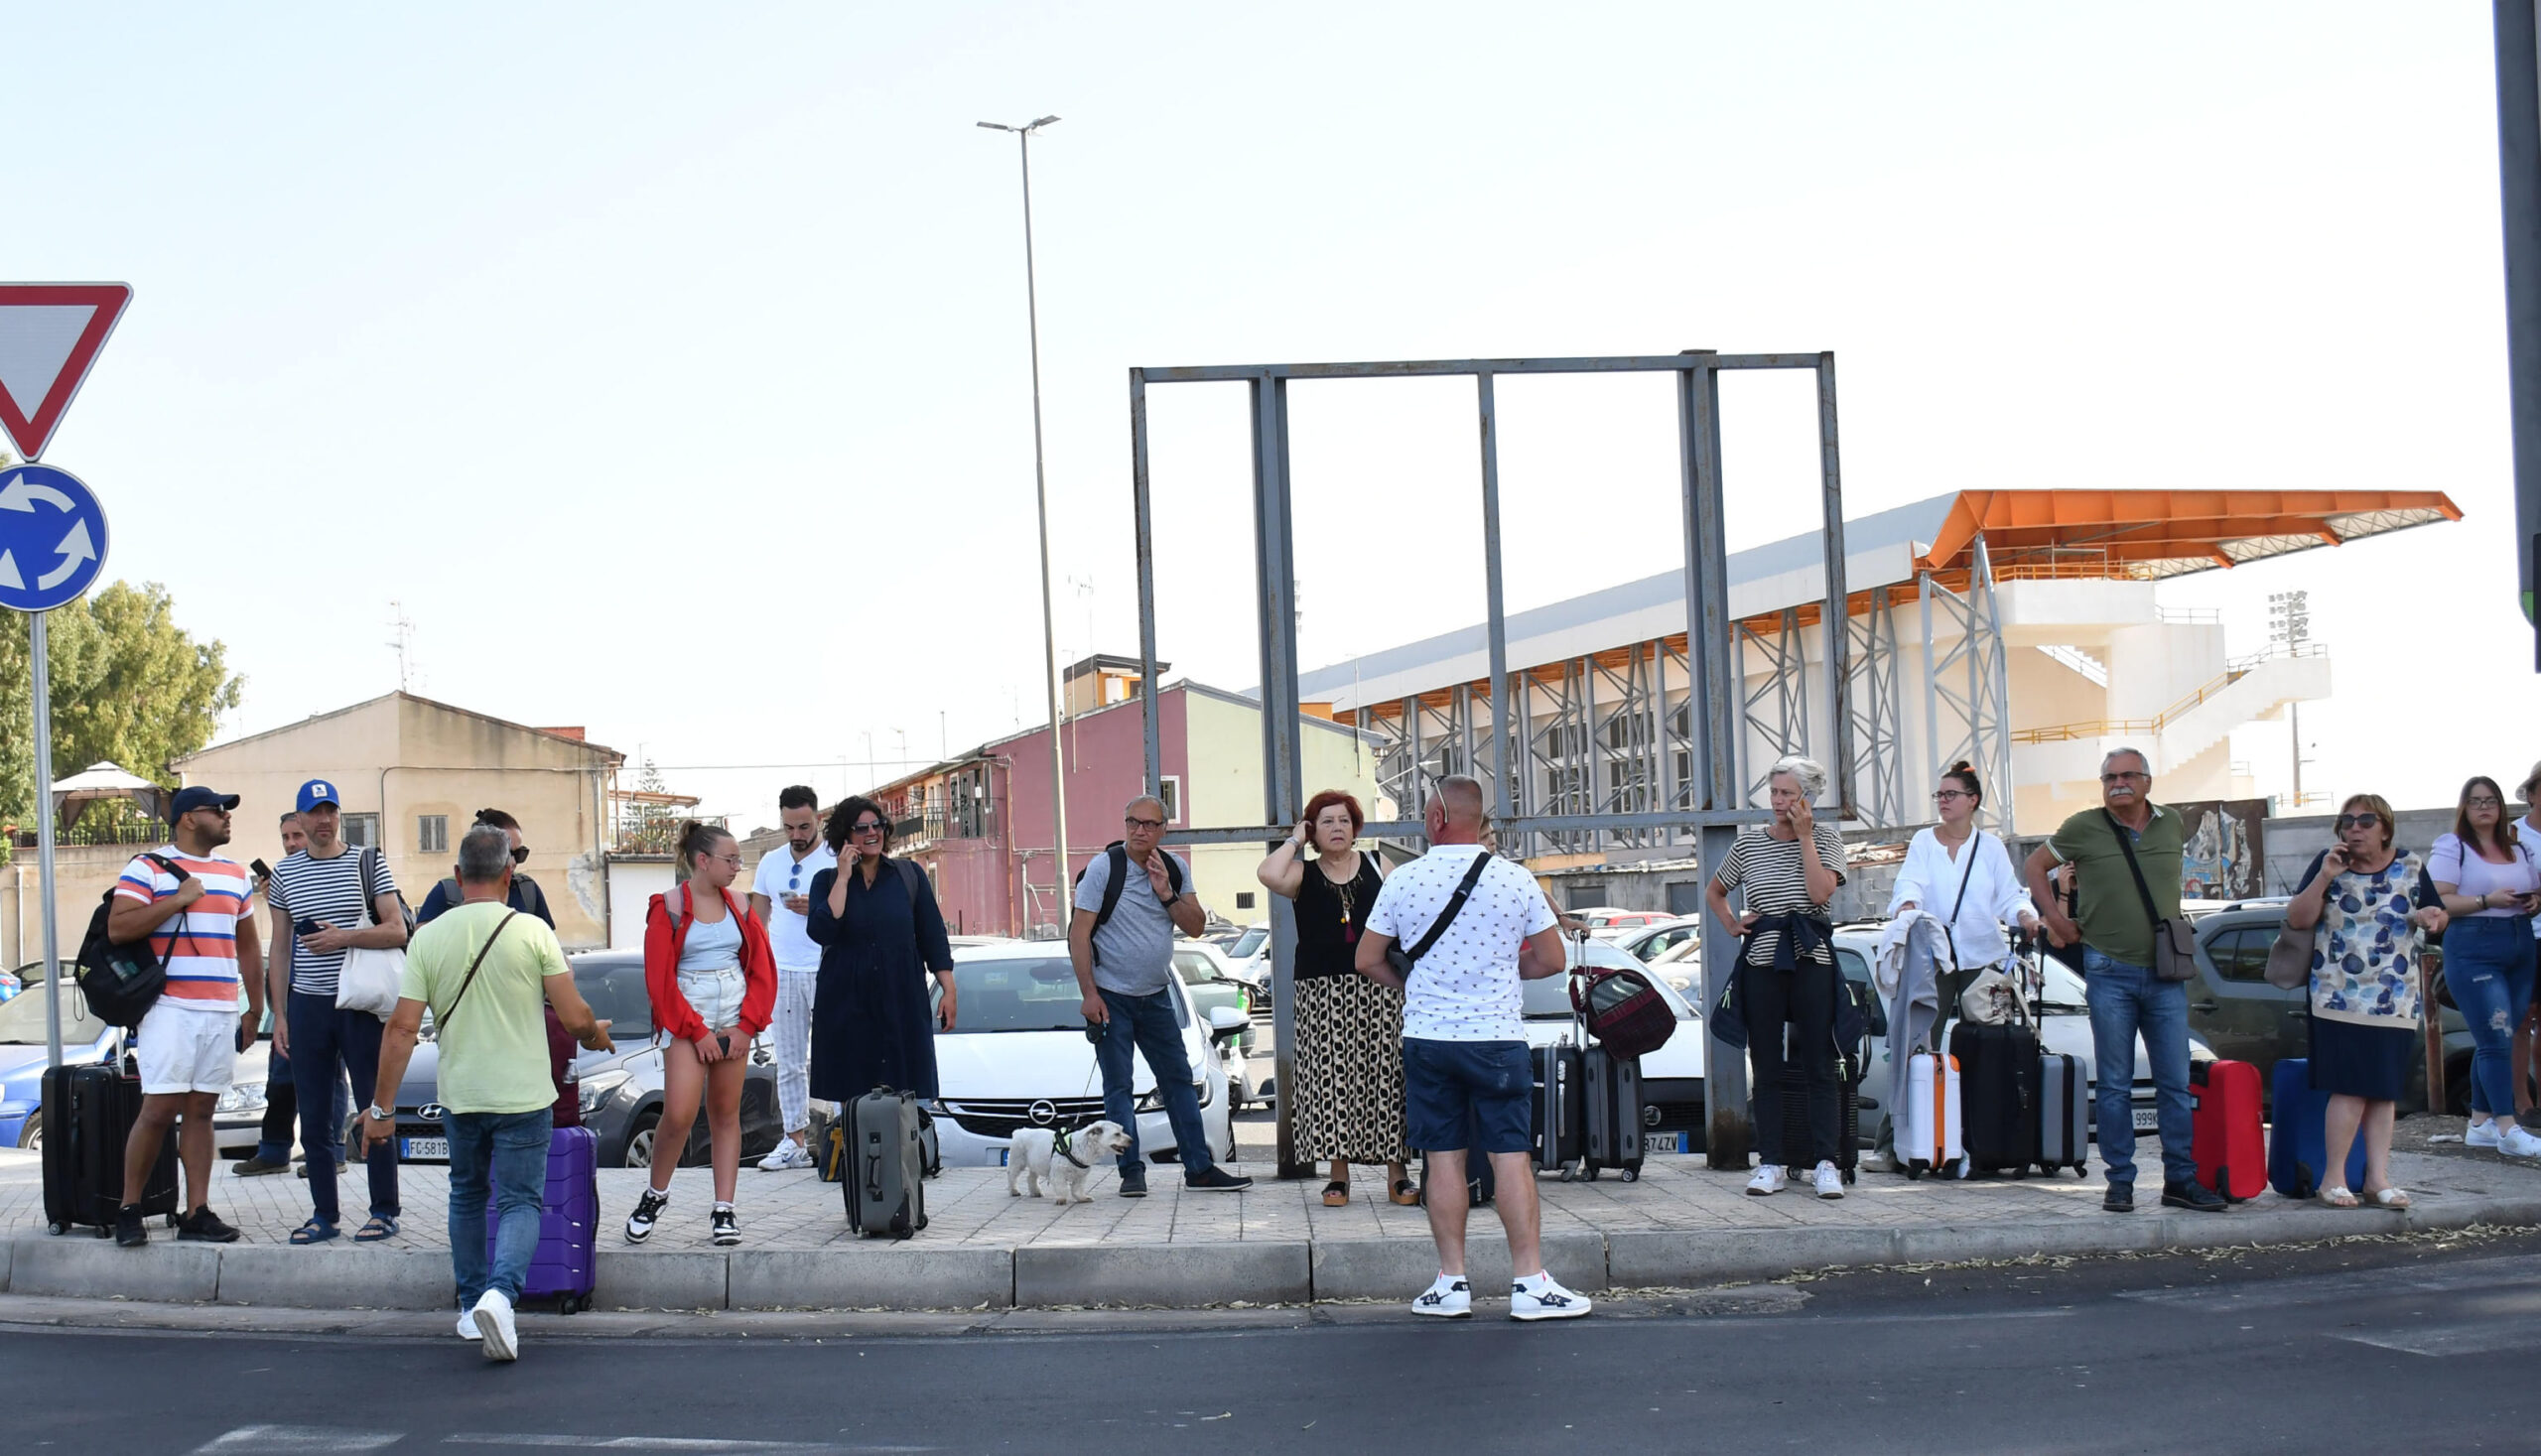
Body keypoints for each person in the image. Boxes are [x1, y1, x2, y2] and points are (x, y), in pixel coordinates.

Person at [355, 824, 613, 1362]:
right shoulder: (532, 932)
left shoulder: (428, 937)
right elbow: (572, 1017)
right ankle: (500, 1296)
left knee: (467, 1195)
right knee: (521, 1201)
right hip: (523, 1097)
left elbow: (401, 1029)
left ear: (456, 877)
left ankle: (472, 1303)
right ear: (508, 874)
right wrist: (595, 1032)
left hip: (460, 1095)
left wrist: (382, 1109)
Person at [1354, 774, 1586, 1320]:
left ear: (1435, 820)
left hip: (1429, 1039)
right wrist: (1507, 969)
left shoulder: (1403, 881)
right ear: (1479, 822)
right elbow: (1552, 961)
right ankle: (1530, 1283)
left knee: (1443, 1159)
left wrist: (1415, 985)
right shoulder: (1516, 880)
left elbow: (1367, 958)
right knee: (1510, 1159)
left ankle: (1450, 1284)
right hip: (1497, 1039)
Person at [2023, 747, 2223, 1214]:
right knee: (2114, 1084)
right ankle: (2121, 1183)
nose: (2118, 783)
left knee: (2174, 1082)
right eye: (2109, 776)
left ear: (2148, 782)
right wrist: (2055, 919)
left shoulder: (2171, 823)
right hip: (2108, 969)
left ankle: (2180, 1180)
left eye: (2128, 775)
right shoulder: (2082, 826)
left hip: (2165, 972)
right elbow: (2035, 866)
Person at [1069, 794, 1254, 1196]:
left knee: (1179, 1081)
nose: (1141, 830)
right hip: (1111, 997)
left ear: (1163, 829)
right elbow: (1078, 933)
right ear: (1125, 824)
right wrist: (1089, 993)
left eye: (1150, 824)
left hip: (1155, 997)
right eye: (1133, 822)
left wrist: (1166, 892)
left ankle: (1199, 1170)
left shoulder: (1173, 866)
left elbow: (1197, 927)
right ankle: (1130, 1171)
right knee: (1119, 1086)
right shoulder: (1105, 869)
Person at [103, 786, 263, 1248]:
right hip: (169, 1008)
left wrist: (254, 1008)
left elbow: (248, 946)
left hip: (217, 1008)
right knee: (157, 1109)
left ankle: (197, 1211)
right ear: (188, 819)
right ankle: (129, 1208)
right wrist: (177, 899)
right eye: (218, 810)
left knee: (201, 1110)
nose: (227, 817)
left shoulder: (235, 875)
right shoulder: (147, 867)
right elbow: (119, 928)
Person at [1865, 759, 2039, 1172]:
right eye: (1939, 795)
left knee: (1992, 1049)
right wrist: (1908, 905)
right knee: (1915, 1044)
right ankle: (1893, 1146)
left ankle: (1988, 1141)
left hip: (1982, 958)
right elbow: (1910, 883)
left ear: (1972, 800)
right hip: (1932, 956)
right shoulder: (1925, 842)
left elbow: (2009, 896)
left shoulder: (1991, 847)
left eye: (1951, 794)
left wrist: (2027, 917)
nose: (1943, 801)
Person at [2283, 793, 2448, 1206]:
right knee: (2350, 1088)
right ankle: (2333, 1178)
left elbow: (2436, 915)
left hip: (2395, 995)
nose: (2355, 828)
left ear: (2386, 828)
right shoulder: (2329, 862)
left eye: (2366, 821)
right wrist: (2324, 877)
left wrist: (2433, 917)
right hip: (2338, 995)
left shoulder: (2411, 864)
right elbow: (2298, 919)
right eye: (2348, 821)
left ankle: (2377, 1178)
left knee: (2383, 1090)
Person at [264, 778, 409, 1244]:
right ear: (299, 821)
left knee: (373, 1103)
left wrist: (343, 937)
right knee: (314, 1112)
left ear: (338, 815)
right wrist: (279, 1015)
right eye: (314, 813)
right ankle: (324, 1214)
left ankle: (384, 1210)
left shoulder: (368, 862)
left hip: (360, 1003)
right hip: (308, 1004)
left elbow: (396, 931)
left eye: (331, 812)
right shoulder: (285, 874)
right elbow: (280, 949)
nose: (323, 821)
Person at [1256, 788, 1412, 1208]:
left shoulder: (1381, 865)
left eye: (1343, 820)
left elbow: (1409, 912)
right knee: (1330, 1080)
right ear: (1313, 831)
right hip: (1320, 991)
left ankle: (1398, 1174)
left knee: (1387, 1078)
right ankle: (1338, 1175)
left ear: (1355, 826)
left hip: (1379, 987)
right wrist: (1293, 840)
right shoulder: (1301, 873)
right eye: (1326, 822)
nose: (1337, 828)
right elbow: (1268, 874)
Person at [1707, 754, 1852, 1199]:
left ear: (1807, 797)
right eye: (1774, 792)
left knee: (1819, 1064)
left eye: (1788, 793)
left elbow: (1819, 892)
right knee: (1765, 1062)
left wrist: (1806, 837)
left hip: (1812, 959)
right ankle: (1769, 1160)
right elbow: (1716, 890)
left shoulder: (1826, 838)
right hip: (1763, 962)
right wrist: (1732, 924)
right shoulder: (1749, 844)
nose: (1778, 801)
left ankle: (1826, 1162)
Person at [627, 821, 777, 1246]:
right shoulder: (669, 906)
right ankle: (655, 1194)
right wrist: (696, 1033)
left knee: (726, 1115)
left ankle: (724, 1210)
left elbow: (763, 969)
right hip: (687, 1017)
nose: (737, 866)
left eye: (738, 859)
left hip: (734, 1014)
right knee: (678, 1114)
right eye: (730, 859)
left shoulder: (741, 906)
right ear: (702, 860)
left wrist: (747, 1026)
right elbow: (659, 981)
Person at [806, 796, 955, 1128]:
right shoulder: (826, 882)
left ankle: (901, 1166)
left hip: (900, 997)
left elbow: (933, 935)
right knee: (853, 1093)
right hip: (846, 1001)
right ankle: (858, 1166)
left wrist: (948, 988)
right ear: (845, 836)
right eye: (861, 828)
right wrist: (844, 877)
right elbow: (822, 930)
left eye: (877, 825)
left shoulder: (909, 875)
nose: (872, 832)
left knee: (904, 1092)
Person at [2428, 775, 2541, 1156]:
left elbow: (2536, 888)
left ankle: (2479, 1122)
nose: (2483, 807)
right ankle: (2508, 1128)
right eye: (2475, 801)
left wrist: (2534, 902)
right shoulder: (2453, 847)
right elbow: (2438, 900)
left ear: (2502, 805)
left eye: (2490, 800)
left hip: (2519, 942)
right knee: (2496, 1037)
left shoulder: (2518, 848)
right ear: (2464, 807)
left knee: (2500, 1036)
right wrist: (2485, 899)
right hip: (2474, 945)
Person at [233, 811, 332, 1177]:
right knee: (280, 1074)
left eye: (296, 836)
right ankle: (274, 1150)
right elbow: (278, 943)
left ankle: (328, 1151)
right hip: (286, 992)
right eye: (285, 838)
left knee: (326, 1077)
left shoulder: (326, 874)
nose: (291, 844)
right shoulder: (283, 880)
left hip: (321, 992)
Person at [748, 785, 836, 1170]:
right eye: (789, 827)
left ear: (818, 818)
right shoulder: (770, 861)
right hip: (782, 970)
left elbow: (852, 912)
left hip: (828, 967)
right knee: (789, 1061)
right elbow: (757, 918)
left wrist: (816, 908)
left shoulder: (836, 858)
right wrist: (755, 968)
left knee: (837, 1056)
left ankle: (842, 1137)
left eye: (804, 826)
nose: (797, 835)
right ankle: (794, 1141)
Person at [416, 809, 555, 928]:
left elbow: (552, 948)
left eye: (519, 854)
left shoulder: (527, 889)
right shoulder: (447, 892)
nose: (513, 862)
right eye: (506, 852)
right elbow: (422, 944)